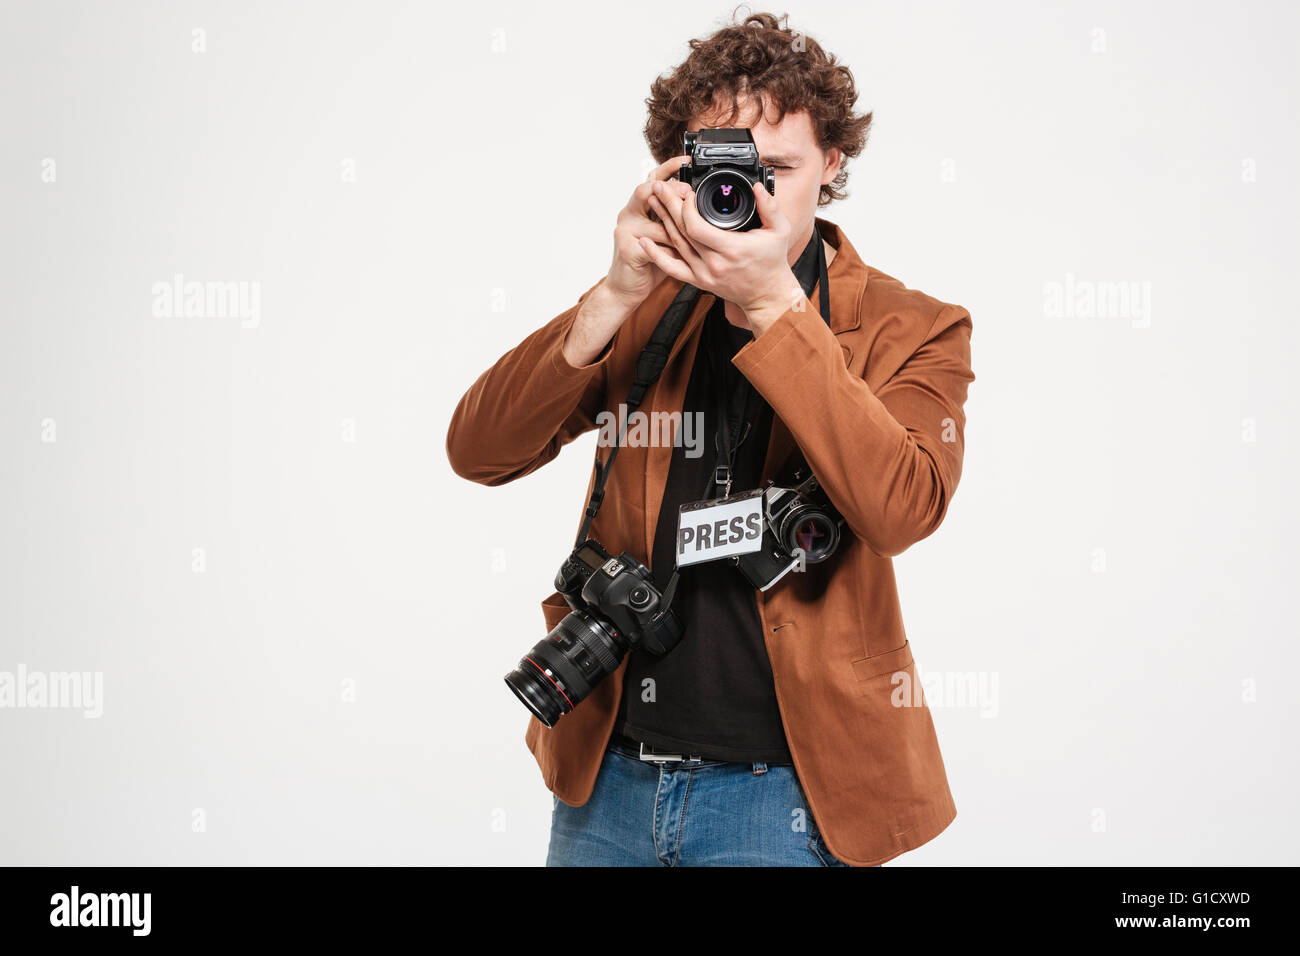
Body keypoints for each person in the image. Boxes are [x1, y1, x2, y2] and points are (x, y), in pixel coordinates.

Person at [446, 11, 975, 867]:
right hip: (609, 781)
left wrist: (774, 309)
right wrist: (610, 298)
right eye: (723, 173)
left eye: (778, 171)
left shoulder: (910, 326)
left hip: (787, 795)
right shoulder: (647, 300)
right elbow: (478, 451)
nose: (747, 198)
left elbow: (904, 510)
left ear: (833, 163)